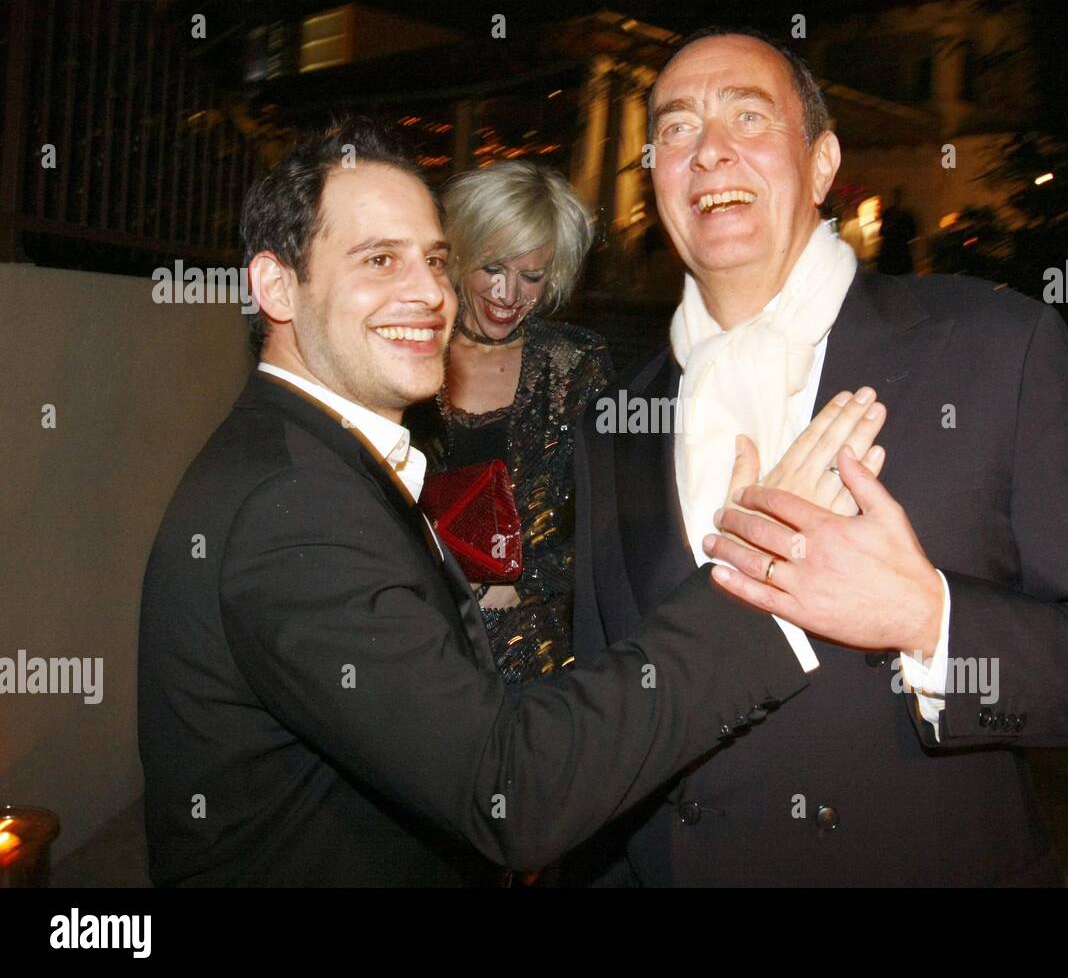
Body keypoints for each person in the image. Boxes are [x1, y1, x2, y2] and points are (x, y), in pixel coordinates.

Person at [136, 118, 889, 886]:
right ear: (274, 287)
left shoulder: (308, 456)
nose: (430, 291)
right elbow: (510, 790)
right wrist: (752, 597)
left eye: (434, 260)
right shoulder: (291, 508)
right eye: (379, 259)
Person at [567, 29, 1068, 886]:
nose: (709, 150)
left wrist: (930, 620)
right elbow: (611, 722)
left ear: (823, 164)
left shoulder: (995, 345)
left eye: (748, 117)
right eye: (676, 130)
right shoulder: (615, 420)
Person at [404, 162, 613, 683]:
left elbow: (606, 521)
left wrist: (526, 580)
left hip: (538, 655)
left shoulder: (574, 364)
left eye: (531, 276)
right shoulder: (405, 351)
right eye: (492, 267)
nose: (508, 293)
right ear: (459, 256)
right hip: (413, 640)